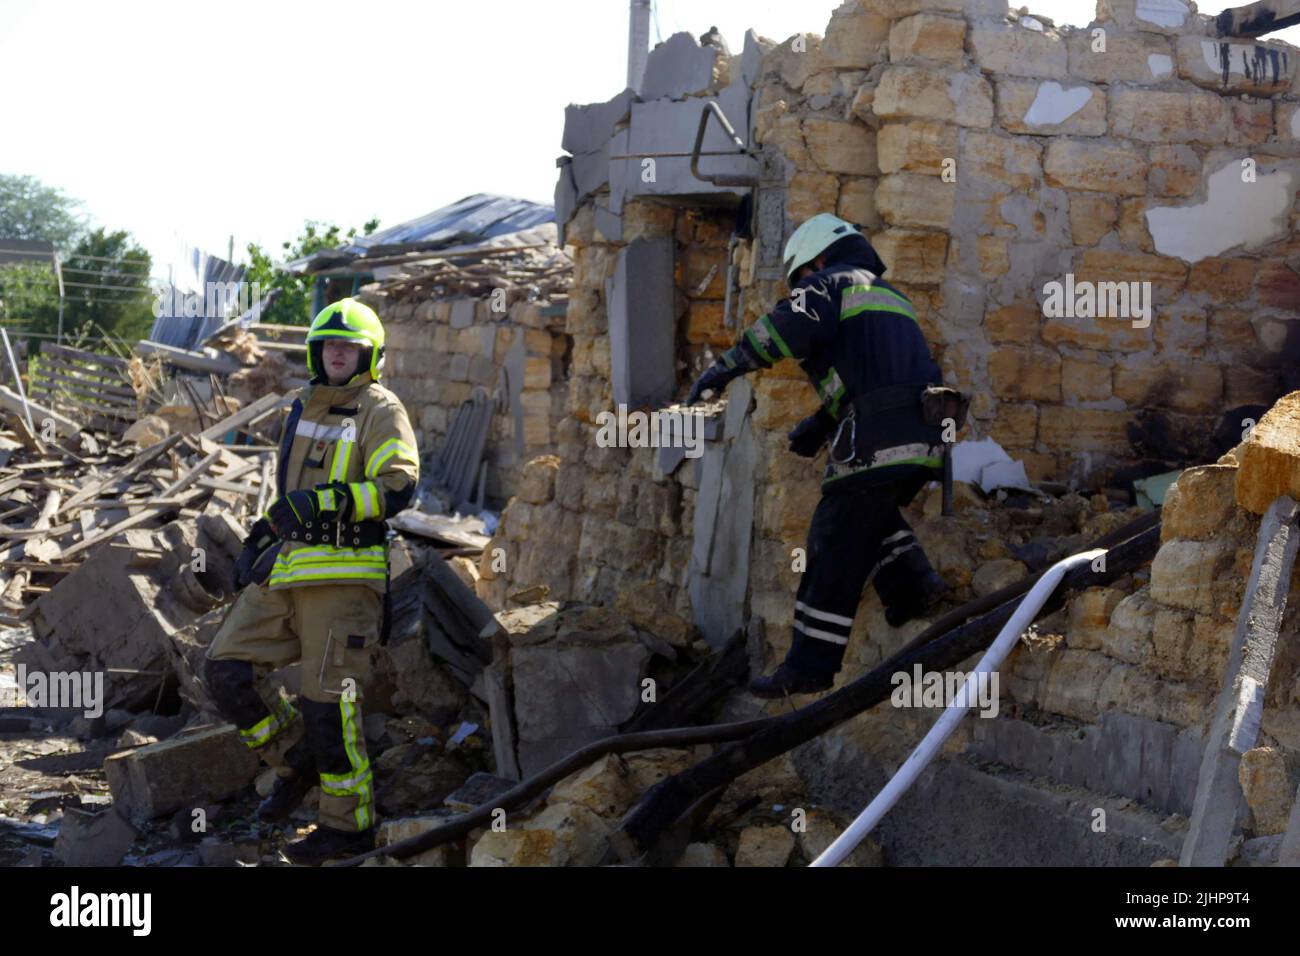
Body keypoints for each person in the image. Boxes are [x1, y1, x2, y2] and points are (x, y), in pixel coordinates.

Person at [687, 213, 948, 697]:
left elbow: (786, 328)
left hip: (879, 436)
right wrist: (822, 423)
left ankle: (808, 667)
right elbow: (877, 374)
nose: (800, 287)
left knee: (831, 542)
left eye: (800, 278)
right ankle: (915, 587)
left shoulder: (830, 283)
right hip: (924, 435)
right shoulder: (891, 296)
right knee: (870, 514)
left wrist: (722, 369)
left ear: (819, 259)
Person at [203, 297, 419, 864]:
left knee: (330, 705)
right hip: (291, 570)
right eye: (328, 344)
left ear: (369, 354)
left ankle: (348, 828)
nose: (338, 352)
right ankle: (297, 759)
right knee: (225, 670)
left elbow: (397, 488)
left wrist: (323, 504)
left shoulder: (382, 407)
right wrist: (267, 532)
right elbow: (291, 497)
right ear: (316, 352)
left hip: (347, 581)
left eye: (348, 345)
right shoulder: (304, 404)